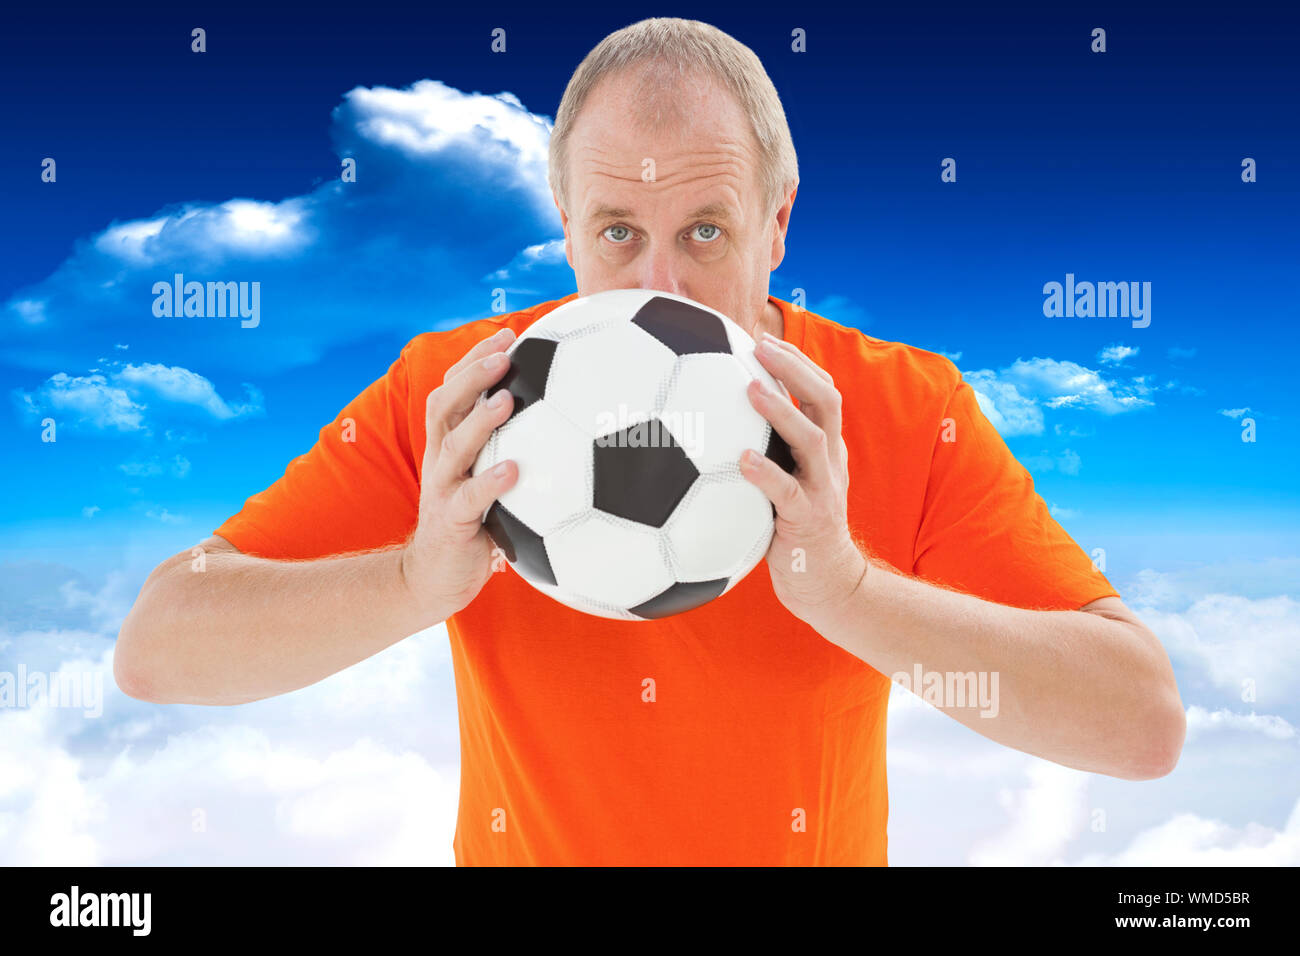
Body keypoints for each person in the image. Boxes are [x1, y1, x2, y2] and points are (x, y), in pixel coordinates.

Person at [115, 17, 1185, 865]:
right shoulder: (460, 396)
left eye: (706, 232)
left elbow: (1140, 725)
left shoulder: (898, 407)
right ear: (565, 221)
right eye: (618, 232)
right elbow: (158, 649)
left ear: (778, 221)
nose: (655, 288)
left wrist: (850, 592)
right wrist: (413, 577)